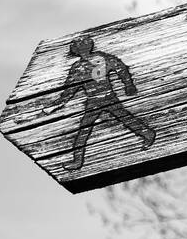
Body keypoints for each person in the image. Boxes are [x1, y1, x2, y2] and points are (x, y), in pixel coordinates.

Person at [46, 36, 156, 174]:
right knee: (120, 119)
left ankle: (77, 160)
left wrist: (58, 103)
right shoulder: (100, 59)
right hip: (102, 98)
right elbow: (120, 67)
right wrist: (128, 84)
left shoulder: (78, 67)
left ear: (76, 50)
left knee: (85, 130)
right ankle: (148, 133)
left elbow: (69, 90)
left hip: (99, 99)